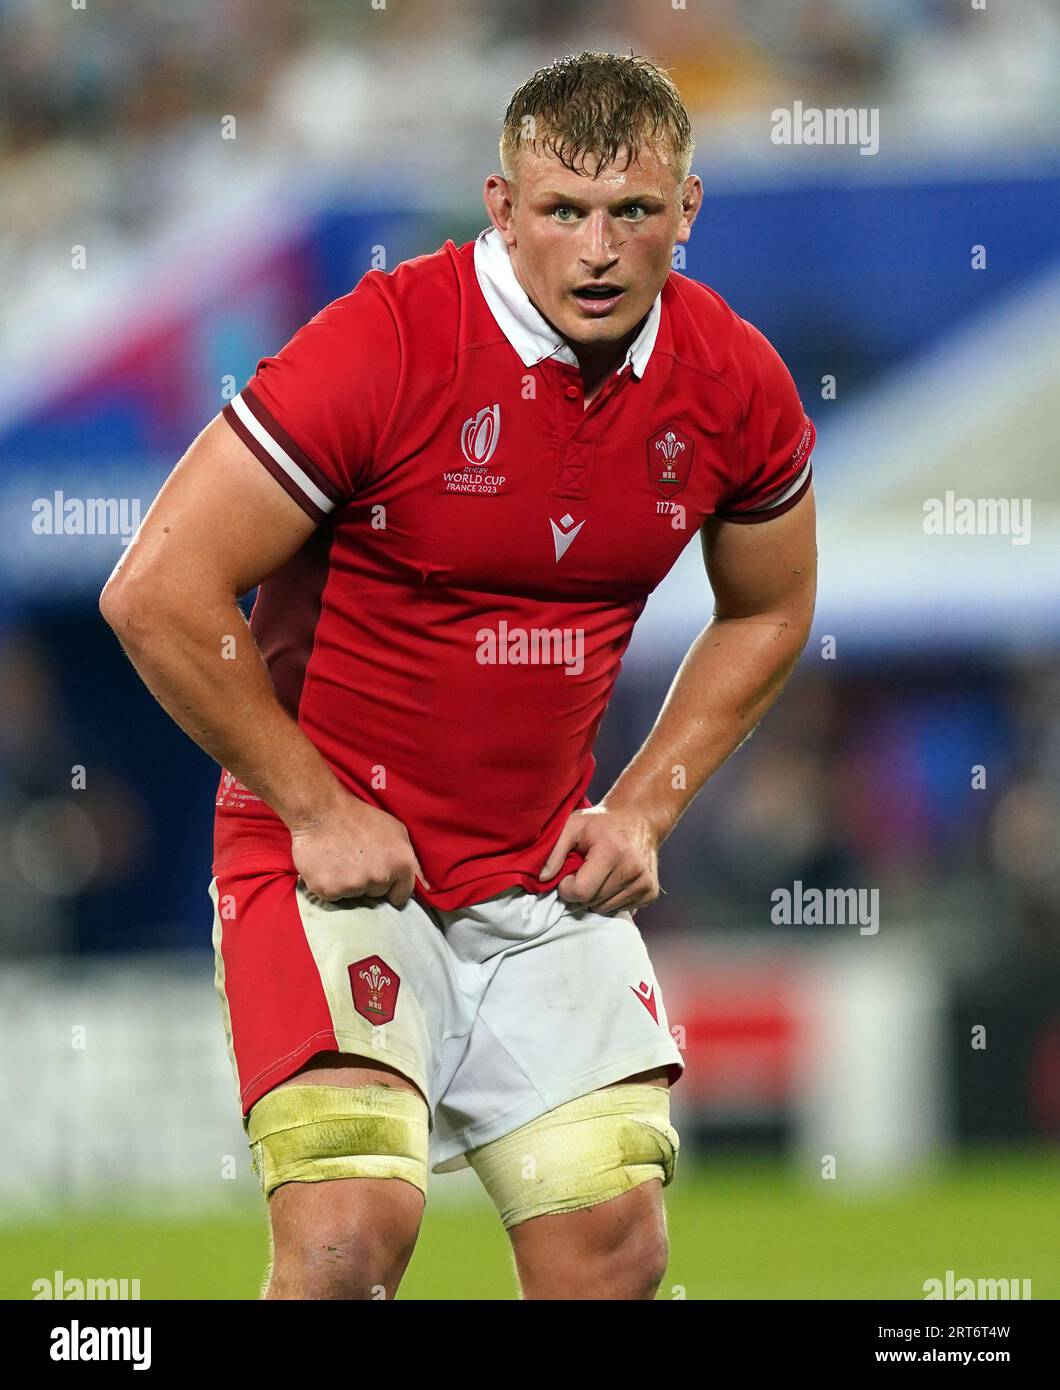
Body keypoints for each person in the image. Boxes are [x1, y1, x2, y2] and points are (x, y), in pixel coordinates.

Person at [100, 50, 817, 1301]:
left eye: (633, 213)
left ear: (686, 212)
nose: (597, 250)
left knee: (614, 1259)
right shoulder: (381, 343)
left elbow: (769, 606)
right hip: (325, 862)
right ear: (501, 207)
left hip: (538, 878)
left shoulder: (733, 381)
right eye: (562, 212)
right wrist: (315, 806)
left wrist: (647, 803)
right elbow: (156, 589)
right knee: (343, 1248)